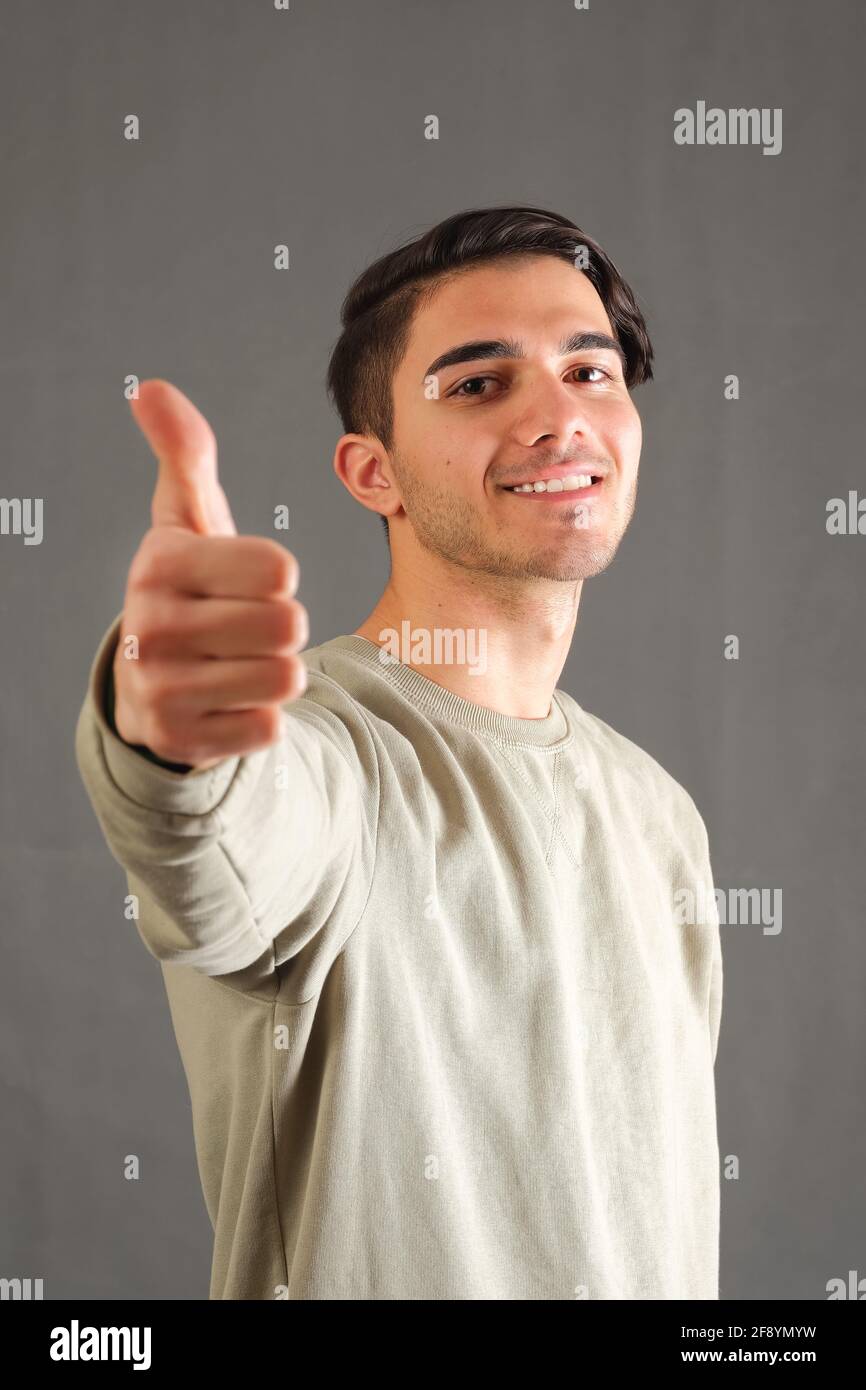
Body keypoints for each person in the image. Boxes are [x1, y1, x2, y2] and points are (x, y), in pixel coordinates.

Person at [75, 204, 723, 1300]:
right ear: (371, 471)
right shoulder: (323, 759)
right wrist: (170, 728)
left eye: (588, 371)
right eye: (477, 384)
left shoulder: (659, 815)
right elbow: (221, 830)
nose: (559, 418)